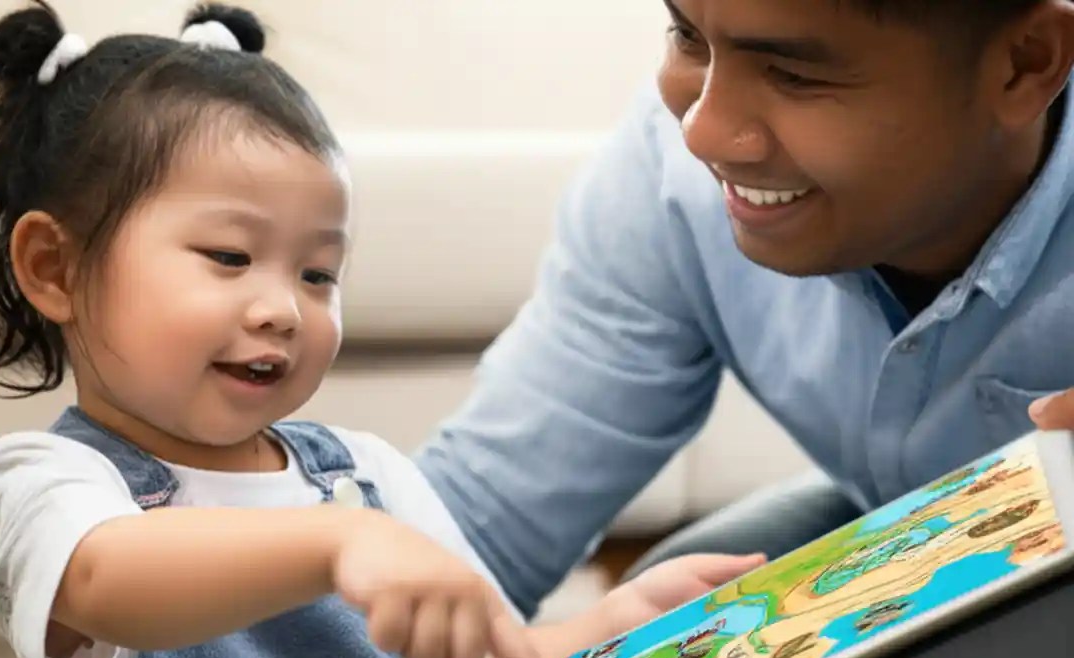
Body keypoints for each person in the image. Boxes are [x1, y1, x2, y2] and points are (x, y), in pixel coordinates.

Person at [0, 3, 766, 658]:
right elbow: (104, 585)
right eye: (229, 257)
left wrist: (608, 635)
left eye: (317, 274)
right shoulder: (58, 482)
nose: (281, 308)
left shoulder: (368, 477)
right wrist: (335, 544)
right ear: (55, 267)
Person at [416, 0, 1074, 619]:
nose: (702, 132)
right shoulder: (666, 172)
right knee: (679, 614)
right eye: (687, 36)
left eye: (791, 73)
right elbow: (480, 522)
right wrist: (333, 558)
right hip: (913, 519)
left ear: (1026, 63)